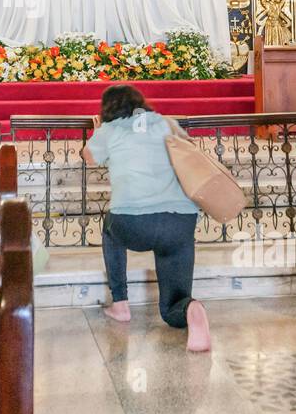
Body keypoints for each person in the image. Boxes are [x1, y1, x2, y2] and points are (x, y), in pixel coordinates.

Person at [83, 85, 210, 351]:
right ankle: (190, 308)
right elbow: (190, 151)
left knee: (110, 227)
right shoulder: (166, 123)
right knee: (171, 306)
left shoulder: (111, 129)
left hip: (133, 222)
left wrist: (98, 131)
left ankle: (120, 304)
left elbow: (89, 157)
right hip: (180, 222)